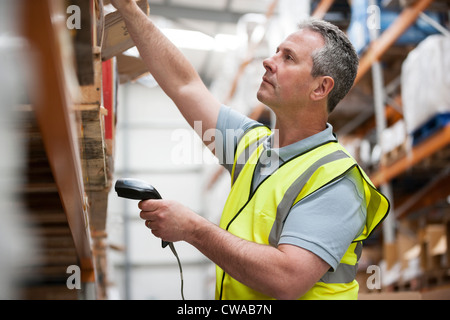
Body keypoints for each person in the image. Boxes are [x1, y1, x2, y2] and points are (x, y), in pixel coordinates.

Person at [111, 0, 390, 300]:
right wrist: (129, 9)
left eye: (288, 57)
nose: (269, 61)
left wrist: (192, 228)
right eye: (276, 52)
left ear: (320, 88)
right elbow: (185, 85)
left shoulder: (337, 180)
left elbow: (286, 279)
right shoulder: (251, 146)